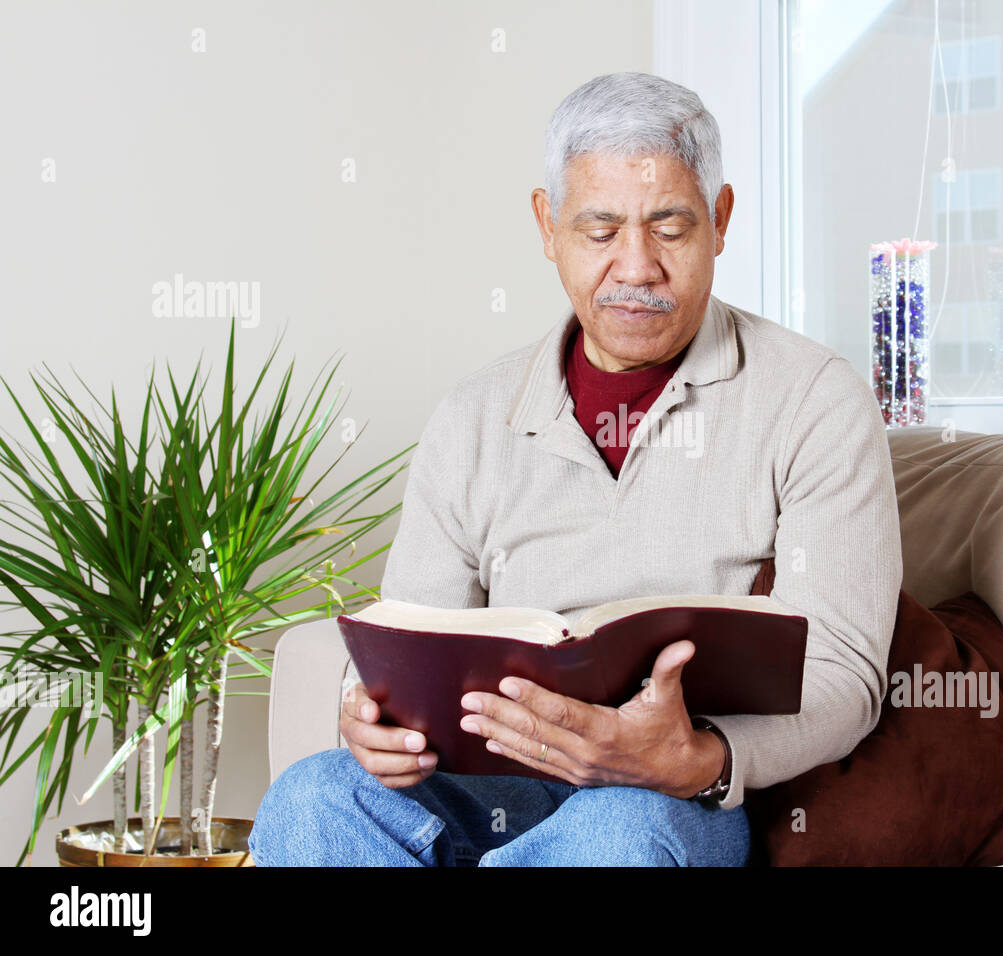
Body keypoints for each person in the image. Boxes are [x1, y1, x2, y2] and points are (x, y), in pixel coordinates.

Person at [249, 71, 902, 866]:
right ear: (547, 224)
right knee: (312, 797)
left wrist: (698, 756)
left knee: (612, 835)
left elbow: (846, 674)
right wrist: (369, 714)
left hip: (664, 793)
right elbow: (408, 637)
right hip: (494, 781)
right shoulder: (474, 414)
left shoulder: (815, 398)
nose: (637, 267)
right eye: (600, 231)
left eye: (670, 226)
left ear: (721, 220)